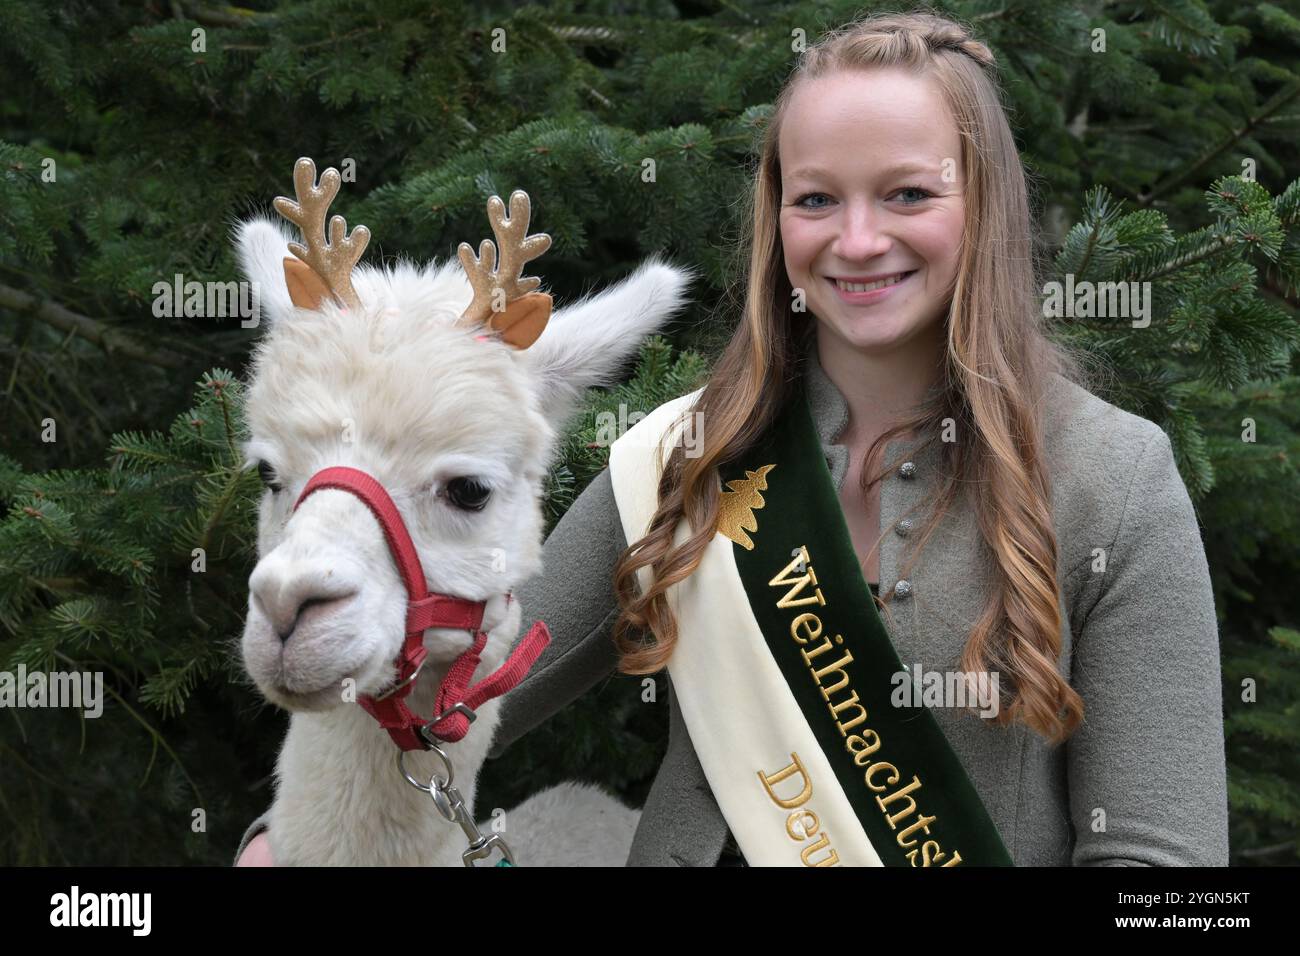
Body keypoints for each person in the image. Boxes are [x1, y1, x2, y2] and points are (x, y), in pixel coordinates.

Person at [236, 9, 1229, 867]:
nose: (856, 239)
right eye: (815, 198)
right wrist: (282, 841)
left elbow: (1157, 865)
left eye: (908, 194)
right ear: (777, 218)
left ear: (987, 207)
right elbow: (442, 672)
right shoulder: (682, 459)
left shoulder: (1111, 480)